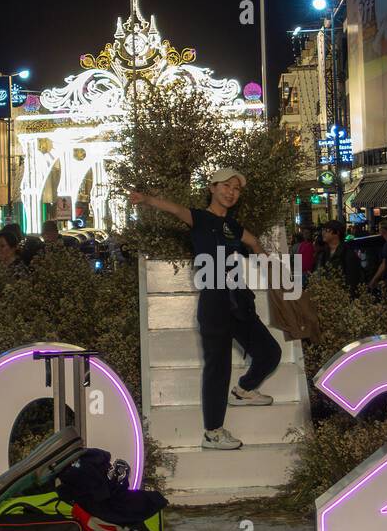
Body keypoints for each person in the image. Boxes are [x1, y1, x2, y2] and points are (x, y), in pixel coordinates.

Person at [129, 168, 281, 452]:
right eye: (226, 186)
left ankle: (244, 389)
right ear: (212, 187)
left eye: (236, 188)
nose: (231, 192)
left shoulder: (234, 227)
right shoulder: (199, 218)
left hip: (239, 301)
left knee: (271, 352)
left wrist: (270, 265)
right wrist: (146, 199)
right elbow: (174, 209)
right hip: (214, 304)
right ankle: (213, 432)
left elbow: (254, 243)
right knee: (218, 367)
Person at [314, 220, 363, 297]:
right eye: (323, 230)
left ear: (337, 233)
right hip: (325, 297)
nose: (323, 233)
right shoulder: (322, 254)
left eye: (327, 230)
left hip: (341, 298)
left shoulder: (348, 253)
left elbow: (352, 280)